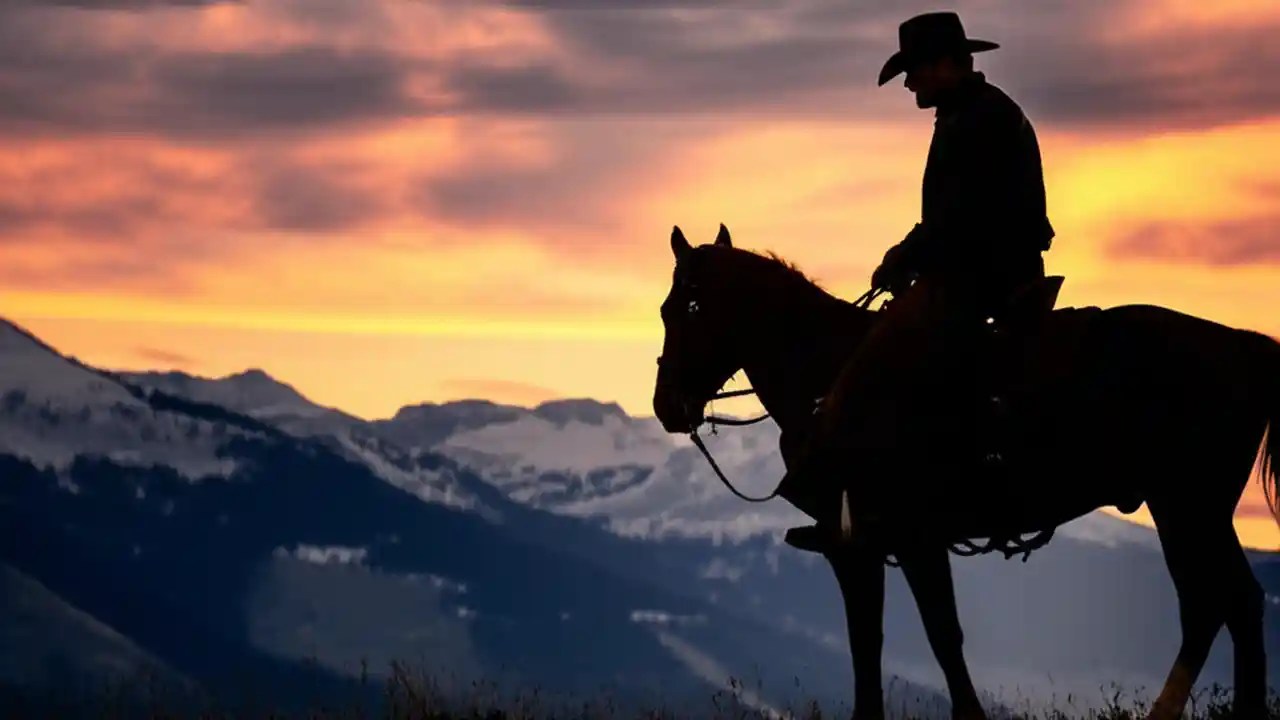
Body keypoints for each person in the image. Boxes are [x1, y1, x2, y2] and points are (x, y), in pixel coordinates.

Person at [782, 11, 1055, 554]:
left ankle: (881, 504)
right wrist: (907, 254)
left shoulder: (979, 120)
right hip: (982, 269)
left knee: (877, 361)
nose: (909, 83)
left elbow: (960, 216)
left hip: (985, 277)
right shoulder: (974, 114)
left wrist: (908, 257)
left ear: (946, 66)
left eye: (914, 71)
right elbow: (951, 216)